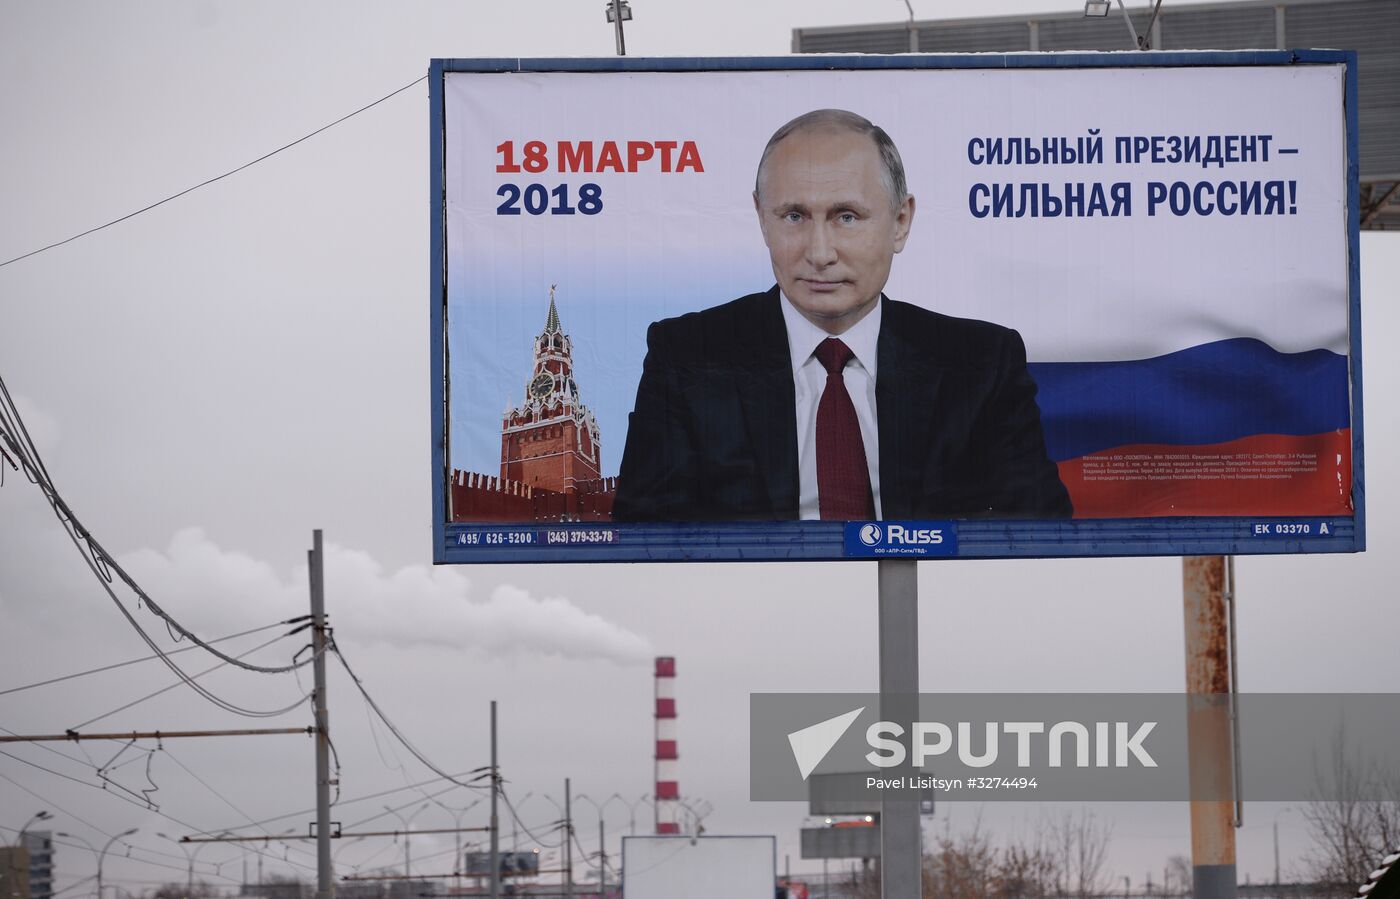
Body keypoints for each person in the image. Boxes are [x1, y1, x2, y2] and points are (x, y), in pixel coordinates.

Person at [612, 108, 1071, 522]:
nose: (819, 252)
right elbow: (647, 543)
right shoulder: (687, 357)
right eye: (793, 216)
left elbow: (1036, 538)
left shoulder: (981, 363)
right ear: (761, 217)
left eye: (846, 217)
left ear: (900, 222)